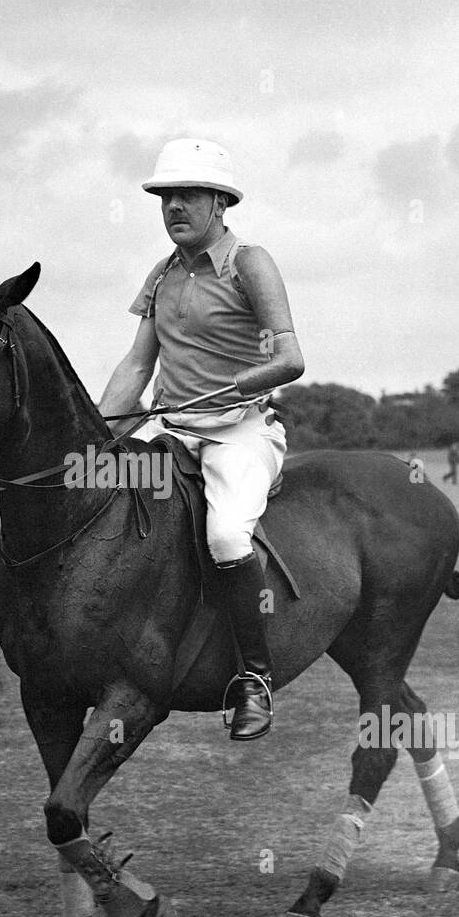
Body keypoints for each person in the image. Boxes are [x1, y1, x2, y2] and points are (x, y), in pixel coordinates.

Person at [99, 138, 305, 741]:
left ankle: (255, 678)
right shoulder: (162, 274)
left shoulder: (249, 262)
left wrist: (232, 386)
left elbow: (291, 356)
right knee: (97, 497)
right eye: (165, 197)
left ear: (220, 202)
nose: (173, 207)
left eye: (187, 195)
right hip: (171, 427)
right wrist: (98, 434)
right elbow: (138, 366)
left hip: (240, 429)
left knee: (224, 535)